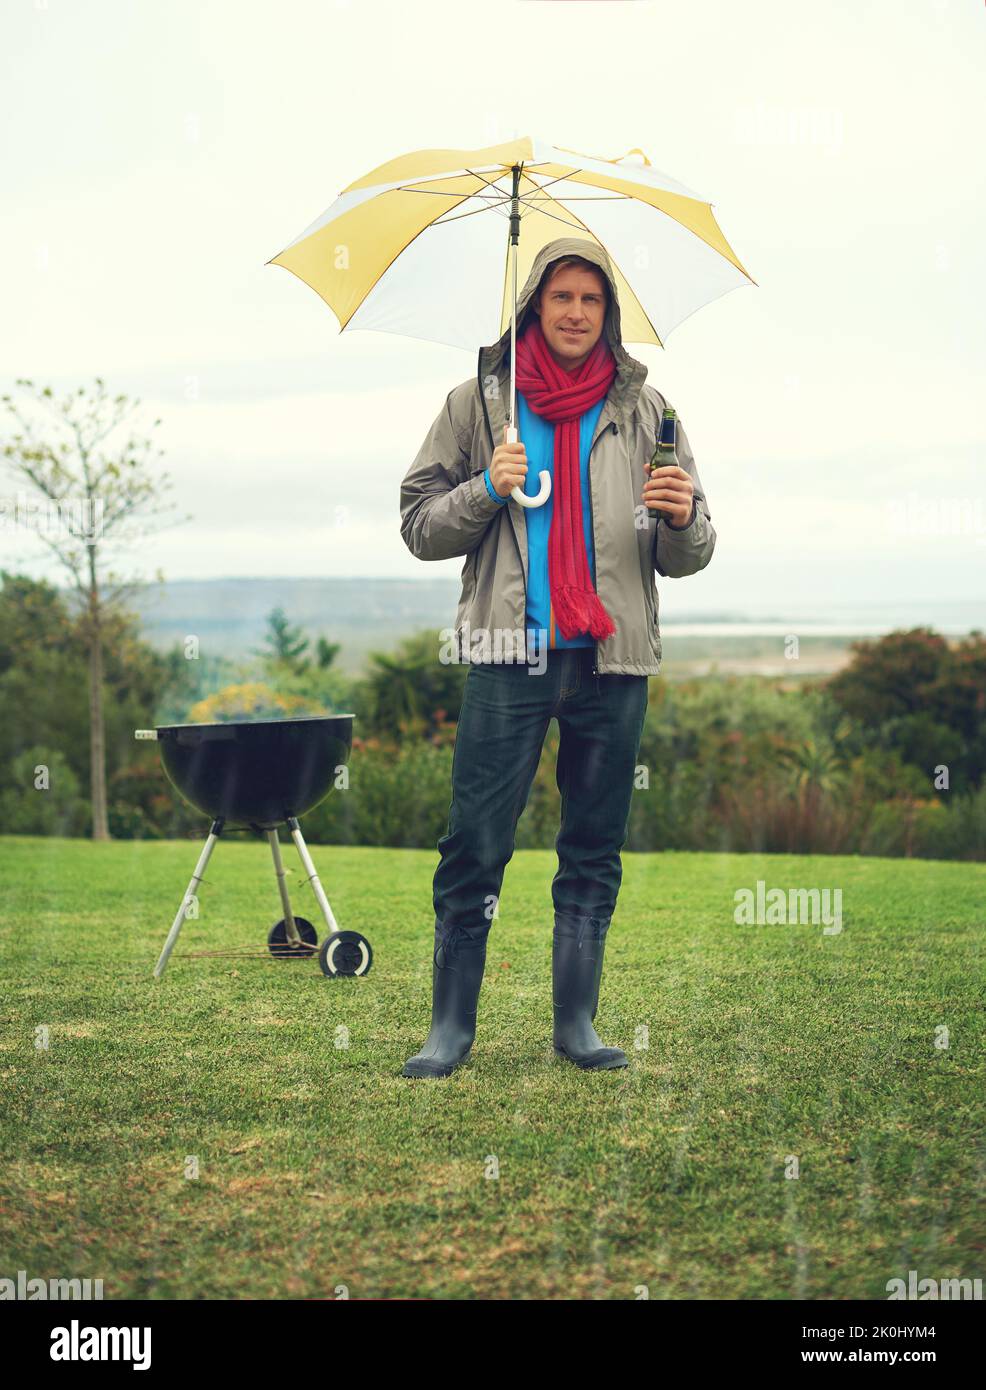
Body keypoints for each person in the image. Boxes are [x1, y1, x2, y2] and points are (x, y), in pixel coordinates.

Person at [398, 236, 716, 1078]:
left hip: (613, 663)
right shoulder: (479, 405)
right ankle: (449, 1033)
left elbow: (690, 553)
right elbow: (419, 527)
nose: (576, 313)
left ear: (608, 314)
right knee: (474, 843)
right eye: (560, 298)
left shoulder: (650, 413)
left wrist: (683, 518)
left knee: (593, 844)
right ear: (534, 305)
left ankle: (576, 1027)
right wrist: (485, 487)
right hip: (509, 656)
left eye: (592, 300)